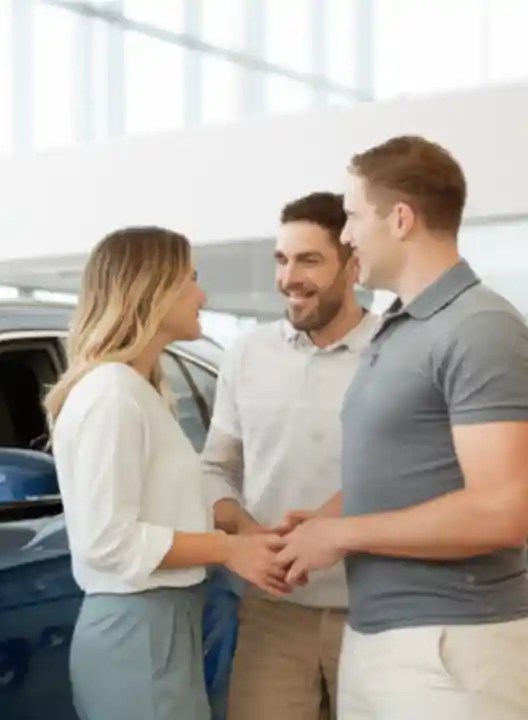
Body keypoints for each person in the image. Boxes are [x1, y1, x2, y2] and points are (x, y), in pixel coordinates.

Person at [278, 135, 528, 718]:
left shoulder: (480, 327)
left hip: (453, 646)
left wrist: (342, 536)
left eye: (353, 216)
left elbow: (507, 509)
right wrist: (325, 521)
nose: (344, 235)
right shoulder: (404, 327)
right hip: (384, 638)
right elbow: (413, 469)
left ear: (400, 219)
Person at [46, 226, 290, 720]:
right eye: (191, 279)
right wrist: (230, 549)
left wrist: (243, 530)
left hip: (162, 627)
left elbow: (168, 500)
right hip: (137, 633)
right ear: (152, 288)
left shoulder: (139, 390)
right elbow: (108, 541)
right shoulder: (111, 394)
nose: (202, 294)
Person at [200, 191, 377, 720]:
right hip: (272, 611)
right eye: (282, 259)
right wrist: (248, 535)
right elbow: (215, 468)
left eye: (310, 260)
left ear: (354, 265)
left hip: (375, 610)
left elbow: (421, 474)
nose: (289, 277)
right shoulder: (247, 354)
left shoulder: (396, 350)